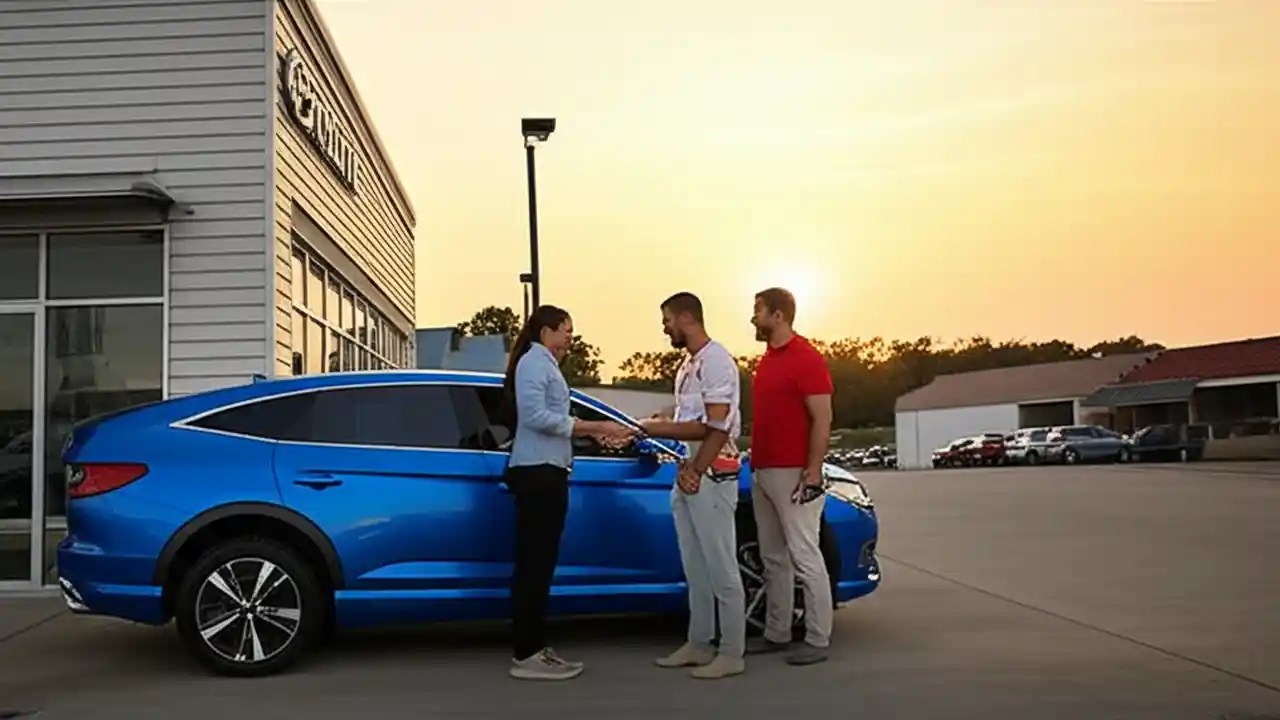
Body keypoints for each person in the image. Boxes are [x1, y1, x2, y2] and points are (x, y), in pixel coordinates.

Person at [502, 304, 632, 681]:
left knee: (541, 563)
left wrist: (593, 433)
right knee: (534, 564)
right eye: (567, 332)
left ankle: (536, 648)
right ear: (547, 331)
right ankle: (527, 653)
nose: (570, 341)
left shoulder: (544, 364)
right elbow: (536, 417)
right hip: (538, 474)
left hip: (550, 472)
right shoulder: (534, 363)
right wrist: (592, 427)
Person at [640, 292, 747, 680]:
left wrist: (696, 470)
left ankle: (732, 652)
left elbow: (717, 425)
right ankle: (699, 644)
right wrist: (652, 424)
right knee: (696, 566)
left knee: (721, 566)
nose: (664, 327)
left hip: (711, 474)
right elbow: (689, 419)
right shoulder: (689, 364)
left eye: (667, 319)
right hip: (689, 471)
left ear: (686, 317)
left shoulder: (717, 360)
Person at [745, 287, 835, 666]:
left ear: (777, 315)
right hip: (763, 471)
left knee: (804, 554)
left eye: (758, 311)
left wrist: (812, 470)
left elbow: (822, 418)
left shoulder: (806, 358)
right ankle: (777, 633)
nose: (753, 318)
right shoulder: (766, 360)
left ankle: (817, 638)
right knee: (773, 557)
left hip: (793, 472)